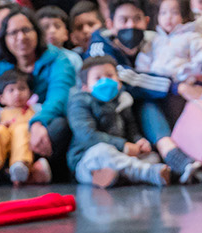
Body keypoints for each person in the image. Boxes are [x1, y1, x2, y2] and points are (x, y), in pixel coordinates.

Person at [87, 0, 202, 183]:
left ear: (146, 21)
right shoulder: (99, 46)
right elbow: (123, 76)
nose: (131, 25)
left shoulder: (154, 41)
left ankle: (199, 155)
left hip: (148, 105)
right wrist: (177, 86)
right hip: (111, 112)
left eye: (136, 19)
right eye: (124, 20)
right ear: (111, 24)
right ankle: (171, 154)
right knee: (144, 100)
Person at [0, 5, 74, 186]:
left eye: (26, 30)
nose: (21, 37)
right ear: (4, 38)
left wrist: (39, 122)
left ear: (37, 32)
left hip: (35, 128)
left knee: (61, 126)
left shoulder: (58, 59)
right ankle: (17, 172)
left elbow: (59, 98)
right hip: (2, 130)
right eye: (13, 33)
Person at [66, 55, 172, 187]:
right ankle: (149, 173)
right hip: (87, 158)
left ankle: (116, 175)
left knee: (152, 157)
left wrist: (138, 141)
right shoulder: (80, 102)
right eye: (98, 78)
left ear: (119, 81)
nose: (105, 81)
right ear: (85, 87)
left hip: (120, 155)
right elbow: (87, 135)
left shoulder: (123, 100)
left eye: (110, 75)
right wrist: (123, 146)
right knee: (102, 152)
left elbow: (131, 129)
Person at [35, 5, 82, 73]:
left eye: (57, 26)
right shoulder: (35, 58)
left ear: (66, 34)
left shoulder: (73, 58)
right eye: (45, 27)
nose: (52, 31)